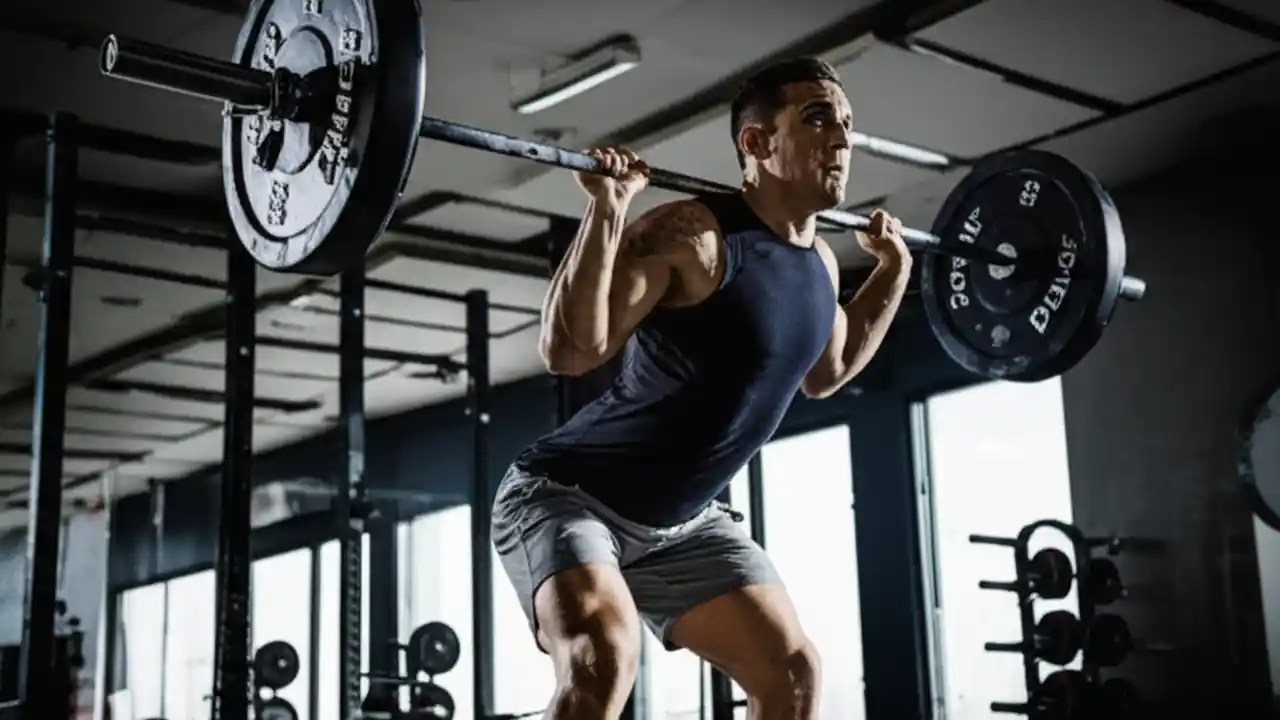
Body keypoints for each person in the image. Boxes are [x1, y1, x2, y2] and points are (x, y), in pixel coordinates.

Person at [490, 57, 911, 719]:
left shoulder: (823, 265)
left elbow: (827, 373)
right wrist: (607, 209)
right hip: (569, 496)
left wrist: (892, 271)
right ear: (756, 143)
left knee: (793, 675)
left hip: (684, 524)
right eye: (819, 118)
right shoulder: (692, 237)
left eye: (848, 125)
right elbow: (571, 352)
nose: (842, 139)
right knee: (603, 661)